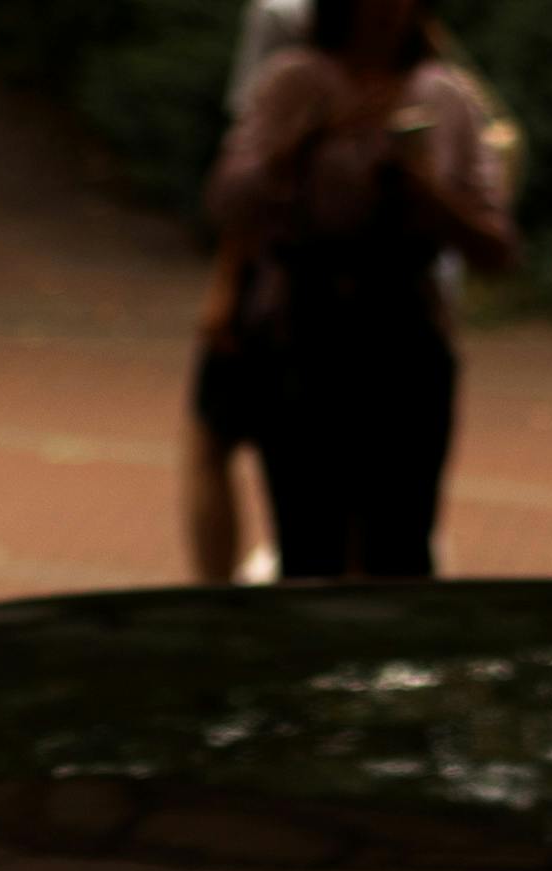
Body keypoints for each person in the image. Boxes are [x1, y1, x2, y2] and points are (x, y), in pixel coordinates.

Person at [210, 0, 515, 580]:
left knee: (400, 541)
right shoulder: (295, 82)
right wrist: (304, 144)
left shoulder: (446, 96)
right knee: (307, 540)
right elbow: (228, 201)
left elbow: (497, 246)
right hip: (305, 334)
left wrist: (427, 195)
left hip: (406, 334)